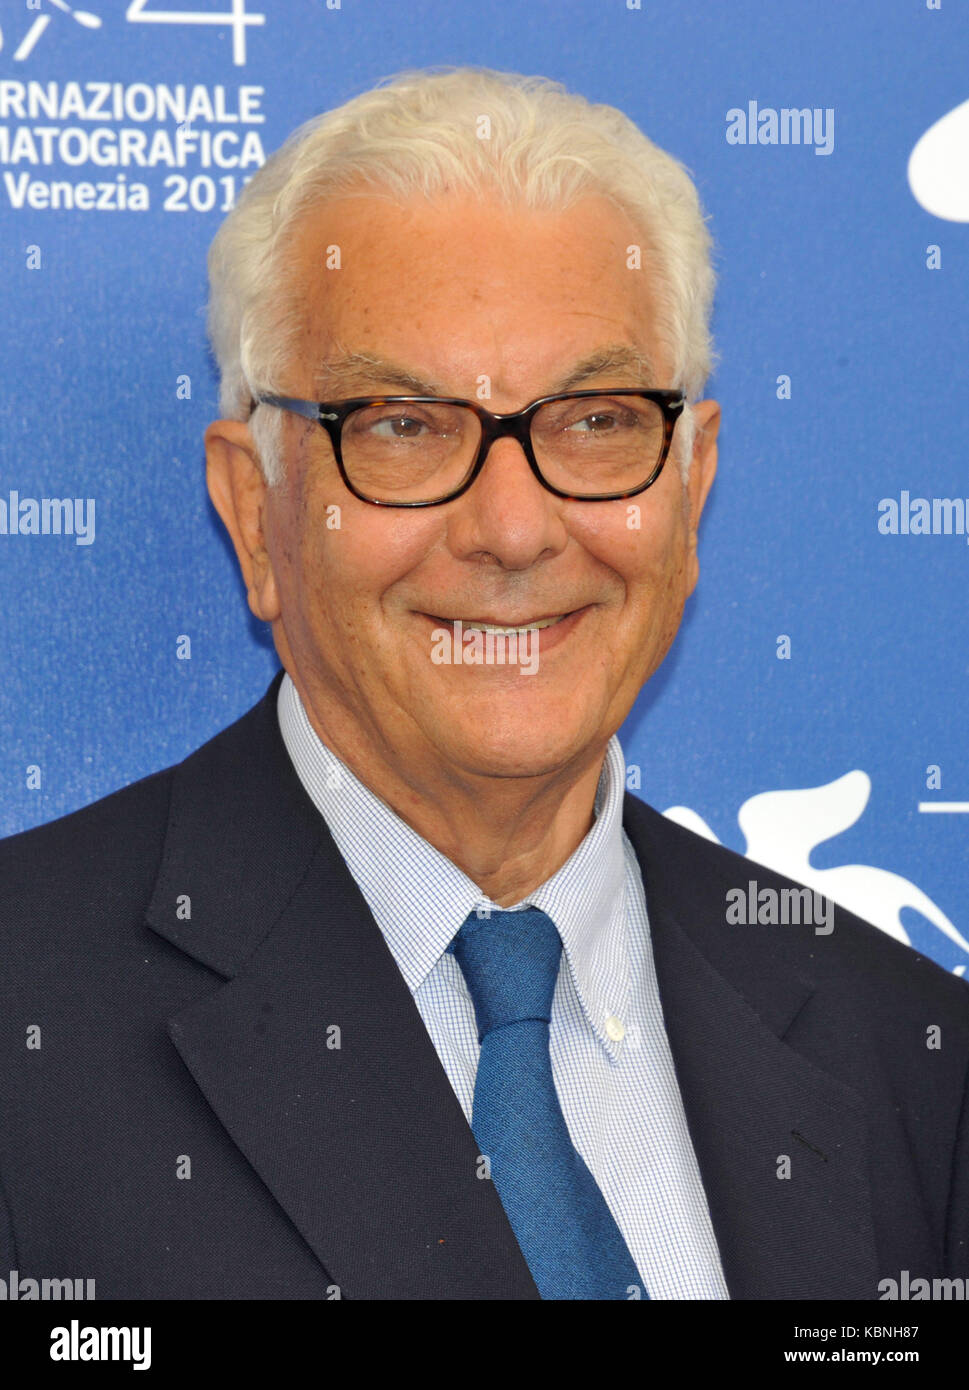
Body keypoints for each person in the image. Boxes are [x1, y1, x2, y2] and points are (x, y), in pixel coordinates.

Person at [1, 66, 966, 1302]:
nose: (514, 528)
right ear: (257, 513)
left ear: (692, 483)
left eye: (597, 421)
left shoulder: (911, 1059)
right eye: (403, 424)